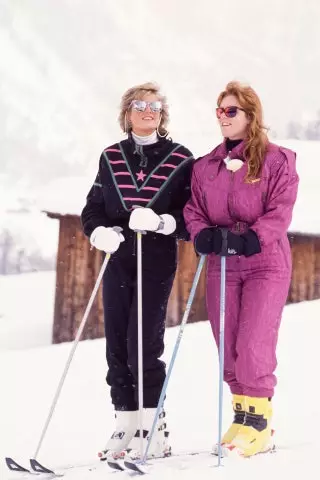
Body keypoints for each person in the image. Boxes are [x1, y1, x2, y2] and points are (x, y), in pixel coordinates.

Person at [183, 81, 299, 457]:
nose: (223, 117)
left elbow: (280, 210)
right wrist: (202, 236)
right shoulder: (206, 167)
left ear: (251, 116)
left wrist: (251, 238)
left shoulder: (277, 160)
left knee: (253, 343)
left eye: (231, 110)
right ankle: (242, 417)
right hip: (222, 264)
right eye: (219, 110)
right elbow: (194, 210)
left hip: (264, 262)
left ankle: (260, 424)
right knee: (228, 344)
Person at [80, 82, 194, 460]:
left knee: (142, 345)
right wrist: (98, 231)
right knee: (116, 344)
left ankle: (153, 427)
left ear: (163, 114)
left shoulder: (181, 159)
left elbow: (190, 217)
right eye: (141, 105)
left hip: (156, 259)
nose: (149, 111)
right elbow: (93, 207)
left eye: (156, 106)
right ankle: (125, 423)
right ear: (127, 112)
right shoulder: (111, 157)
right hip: (118, 260)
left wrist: (162, 222)